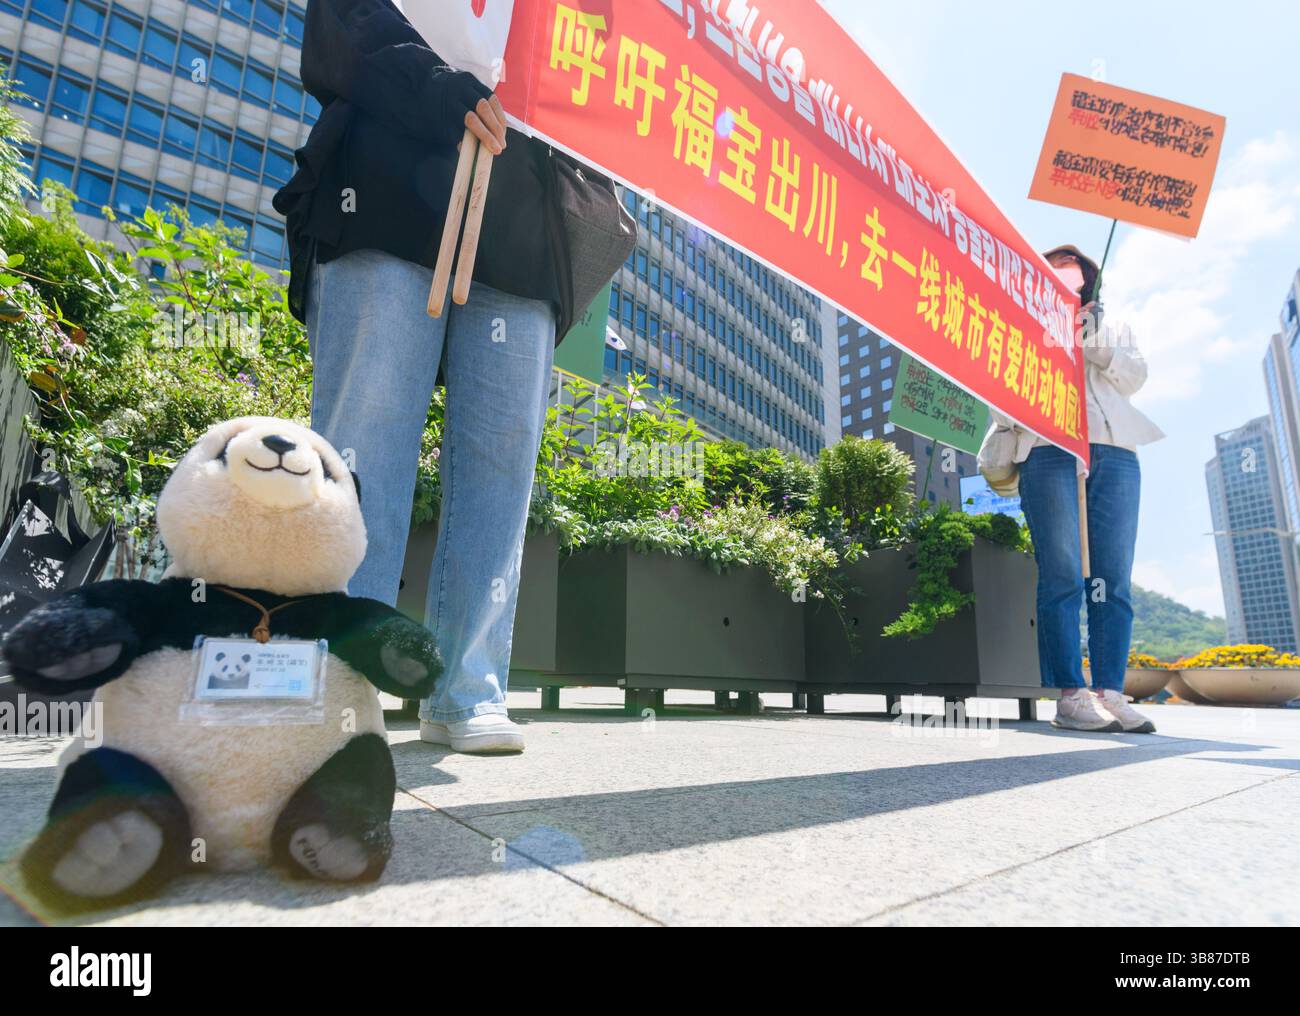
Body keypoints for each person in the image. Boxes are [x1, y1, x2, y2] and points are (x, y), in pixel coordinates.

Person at [273, 0, 566, 754]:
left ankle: (466, 686)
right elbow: (345, 18)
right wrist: (441, 86)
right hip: (390, 163)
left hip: (524, 191)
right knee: (366, 426)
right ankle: (343, 676)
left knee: (504, 450)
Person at [1005, 245, 1165, 733]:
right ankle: (1070, 695)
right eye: (1054, 276)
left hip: (1114, 451)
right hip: (1048, 448)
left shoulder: (1113, 329)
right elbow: (1000, 394)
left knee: (1113, 578)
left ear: (1089, 286)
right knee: (1063, 574)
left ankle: (1110, 691)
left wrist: (1092, 341)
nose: (1065, 284)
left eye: (1074, 277)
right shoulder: (1016, 324)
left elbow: (1134, 377)